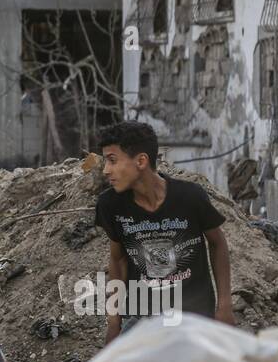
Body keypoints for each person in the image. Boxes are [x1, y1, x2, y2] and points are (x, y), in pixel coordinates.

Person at [94, 120, 235, 343]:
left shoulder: (190, 198)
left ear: (141, 161)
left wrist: (224, 306)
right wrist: (114, 322)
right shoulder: (110, 205)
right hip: (143, 319)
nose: (106, 170)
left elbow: (217, 244)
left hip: (194, 316)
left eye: (112, 160)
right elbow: (117, 259)